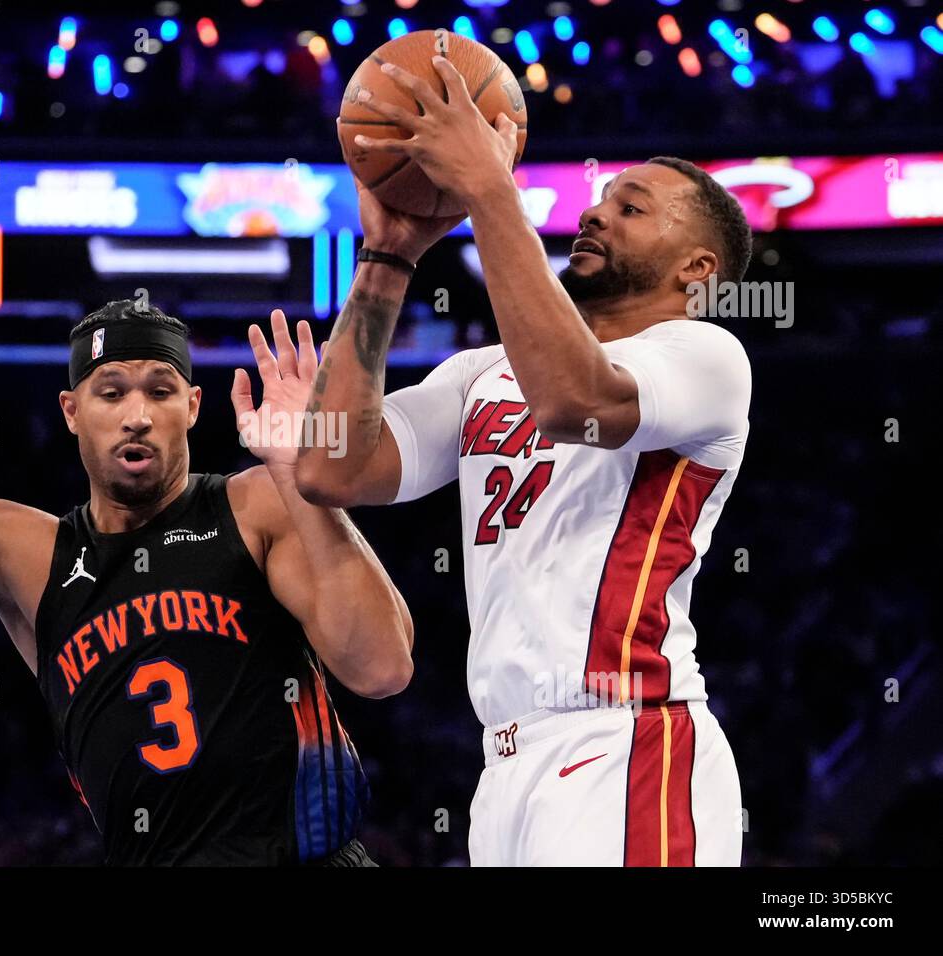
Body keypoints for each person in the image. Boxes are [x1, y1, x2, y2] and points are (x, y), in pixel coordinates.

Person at [0, 119, 414, 865]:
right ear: (73, 412)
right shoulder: (27, 554)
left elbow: (382, 668)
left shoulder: (255, 507)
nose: (137, 412)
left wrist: (306, 486)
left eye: (160, 389)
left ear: (194, 409)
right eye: (110, 391)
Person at [298, 58, 752, 866]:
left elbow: (577, 402)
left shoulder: (706, 356)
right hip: (505, 767)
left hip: (629, 740)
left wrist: (488, 193)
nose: (595, 213)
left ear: (698, 269)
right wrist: (388, 256)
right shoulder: (483, 372)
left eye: (631, 207)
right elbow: (333, 469)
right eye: (601, 198)